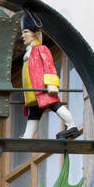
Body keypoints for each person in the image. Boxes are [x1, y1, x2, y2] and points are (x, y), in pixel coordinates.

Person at [19, 11, 81, 139]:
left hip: (42, 90)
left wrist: (51, 84)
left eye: (25, 32)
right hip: (34, 93)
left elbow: (49, 66)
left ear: (35, 33)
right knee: (33, 115)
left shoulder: (41, 49)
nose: (22, 36)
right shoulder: (29, 53)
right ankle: (28, 137)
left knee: (55, 106)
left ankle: (71, 126)